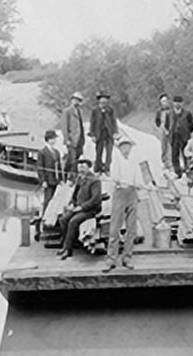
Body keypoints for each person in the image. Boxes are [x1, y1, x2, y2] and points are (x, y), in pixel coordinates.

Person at [102, 135, 143, 272]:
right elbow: (114, 178)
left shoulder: (134, 162)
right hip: (119, 194)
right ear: (119, 148)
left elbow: (138, 180)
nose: (126, 148)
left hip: (132, 194)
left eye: (128, 146)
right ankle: (111, 259)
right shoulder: (116, 161)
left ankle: (127, 257)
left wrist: (141, 185)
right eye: (123, 146)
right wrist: (119, 181)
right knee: (114, 228)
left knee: (132, 228)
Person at [57, 157, 102, 259]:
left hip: (90, 210)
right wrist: (72, 204)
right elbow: (75, 194)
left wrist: (81, 207)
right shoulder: (79, 178)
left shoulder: (95, 181)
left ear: (89, 167)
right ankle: (66, 244)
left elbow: (96, 199)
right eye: (79, 165)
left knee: (73, 221)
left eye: (84, 164)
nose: (81, 166)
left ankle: (68, 250)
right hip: (78, 208)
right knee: (63, 219)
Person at [88, 92, 118, 174]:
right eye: (102, 99)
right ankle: (98, 167)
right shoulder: (95, 110)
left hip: (109, 133)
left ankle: (107, 168)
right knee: (99, 151)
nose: (104, 100)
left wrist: (115, 132)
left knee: (109, 152)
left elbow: (114, 121)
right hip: (99, 133)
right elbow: (92, 123)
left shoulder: (110, 110)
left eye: (105, 99)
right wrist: (92, 135)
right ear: (99, 100)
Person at [36, 129, 63, 218]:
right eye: (53, 138)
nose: (55, 140)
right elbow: (40, 168)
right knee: (47, 199)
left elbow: (59, 167)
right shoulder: (42, 152)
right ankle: (44, 216)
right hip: (48, 180)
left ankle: (50, 216)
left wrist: (61, 179)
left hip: (55, 179)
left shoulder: (57, 152)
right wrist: (43, 181)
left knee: (54, 199)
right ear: (49, 139)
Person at [169, 95, 193, 179]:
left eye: (179, 102)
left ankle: (188, 172)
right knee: (174, 155)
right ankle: (177, 172)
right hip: (174, 137)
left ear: (182, 103)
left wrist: (188, 131)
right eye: (176, 102)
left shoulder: (187, 113)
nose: (177, 104)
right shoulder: (169, 114)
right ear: (173, 103)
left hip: (185, 137)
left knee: (186, 155)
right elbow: (166, 125)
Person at [60, 92, 86, 179]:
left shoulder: (80, 112)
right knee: (72, 158)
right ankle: (68, 176)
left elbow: (81, 126)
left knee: (76, 159)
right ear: (71, 100)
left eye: (78, 100)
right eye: (75, 99)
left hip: (79, 140)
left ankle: (70, 175)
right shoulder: (67, 111)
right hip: (72, 139)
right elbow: (64, 126)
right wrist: (67, 139)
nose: (76, 102)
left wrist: (83, 139)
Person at [154, 93, 172, 171]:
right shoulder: (159, 111)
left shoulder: (171, 111)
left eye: (166, 101)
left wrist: (169, 130)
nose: (165, 102)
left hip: (170, 130)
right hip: (162, 130)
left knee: (171, 146)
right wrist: (162, 128)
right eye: (163, 101)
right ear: (160, 102)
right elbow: (157, 121)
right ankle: (165, 163)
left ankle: (171, 163)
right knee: (163, 147)